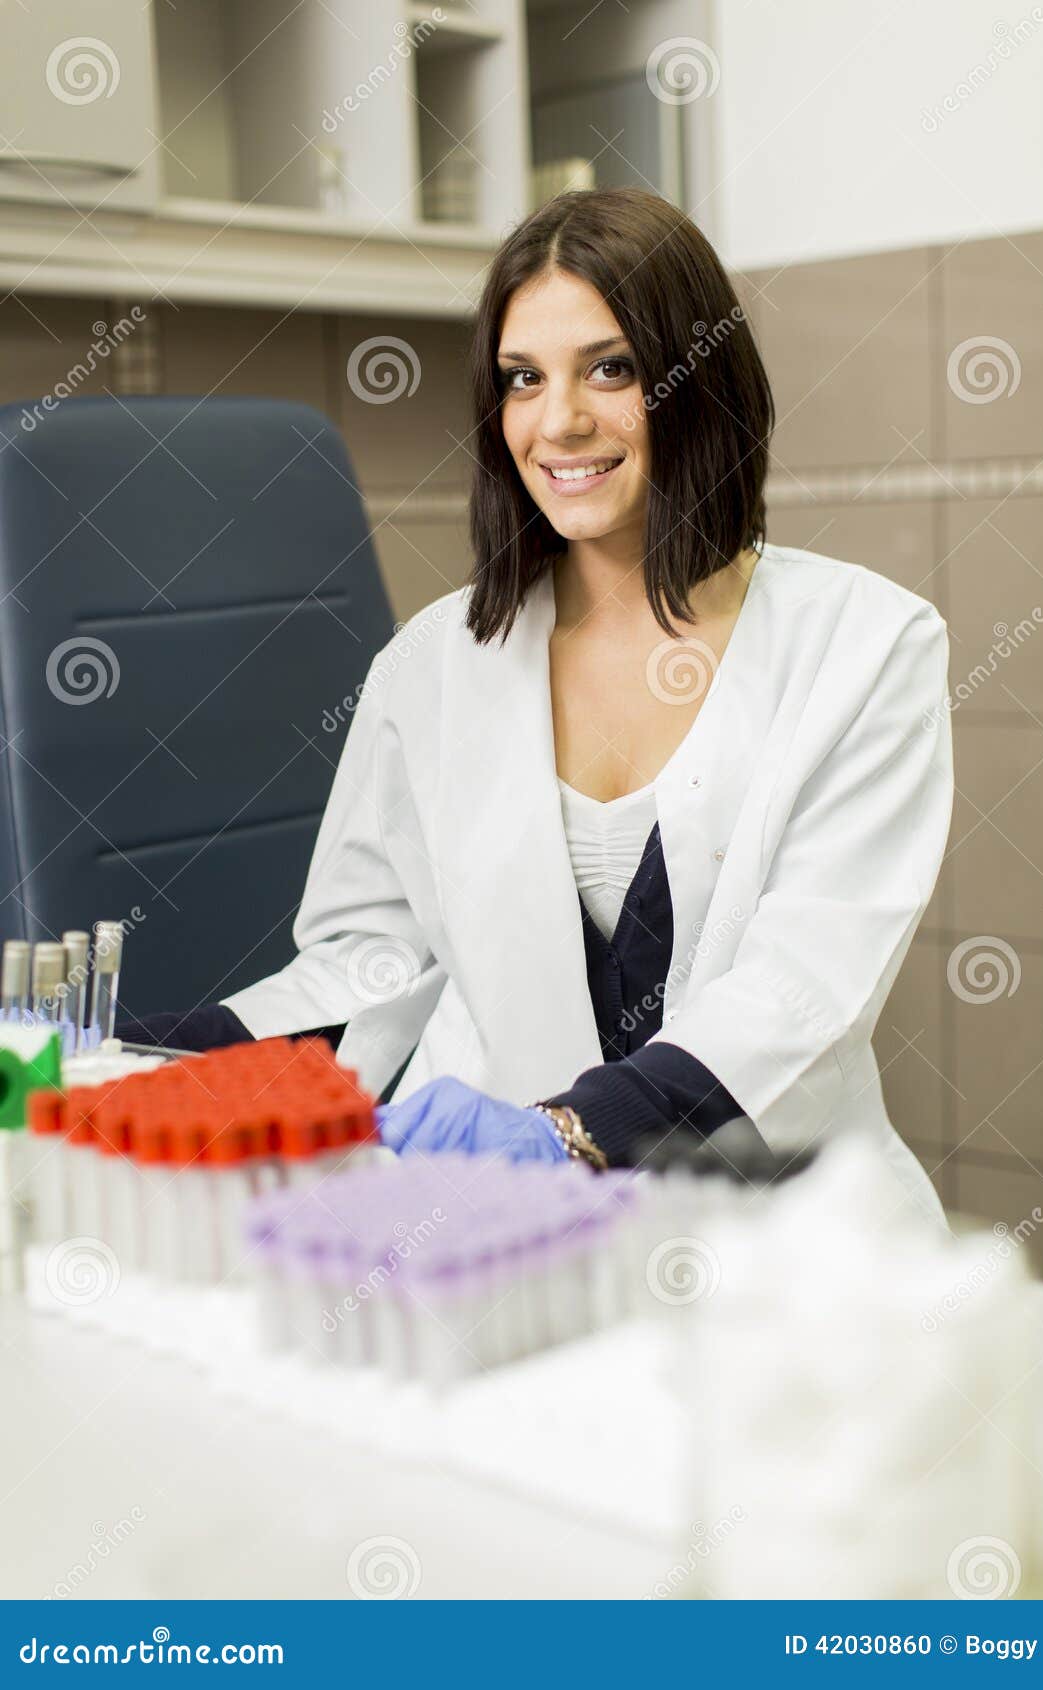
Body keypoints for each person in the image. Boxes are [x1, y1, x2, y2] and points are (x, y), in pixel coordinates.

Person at [118, 188, 953, 1218]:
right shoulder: (431, 664)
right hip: (506, 1233)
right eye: (522, 378)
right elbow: (368, 971)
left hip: (779, 1240)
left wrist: (571, 1131)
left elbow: (806, 985)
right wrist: (134, 1052)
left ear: (700, 381)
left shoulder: (865, 645)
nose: (558, 421)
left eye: (611, 368)